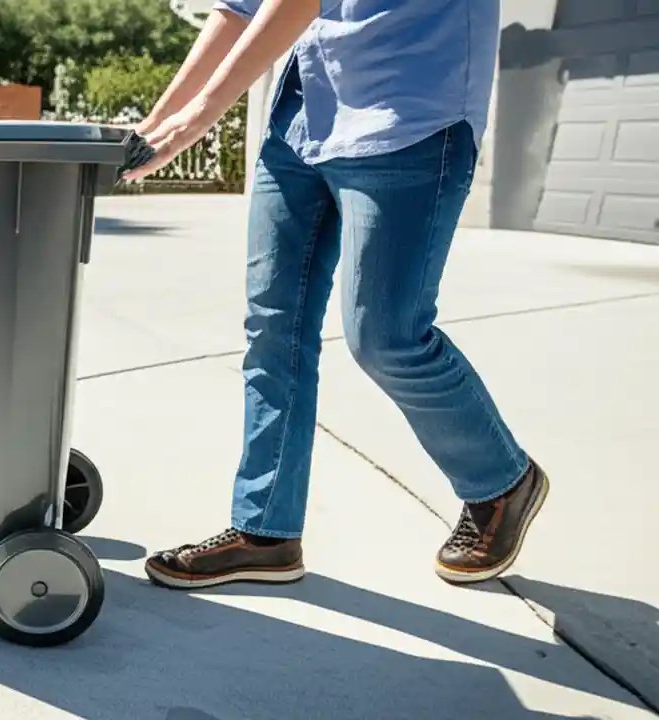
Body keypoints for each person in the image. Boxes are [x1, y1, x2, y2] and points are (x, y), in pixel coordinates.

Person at [128, 0, 549, 589]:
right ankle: (265, 531)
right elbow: (239, 8)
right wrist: (154, 124)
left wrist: (204, 112)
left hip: (408, 116)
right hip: (303, 121)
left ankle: (502, 481)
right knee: (274, 328)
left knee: (387, 337)